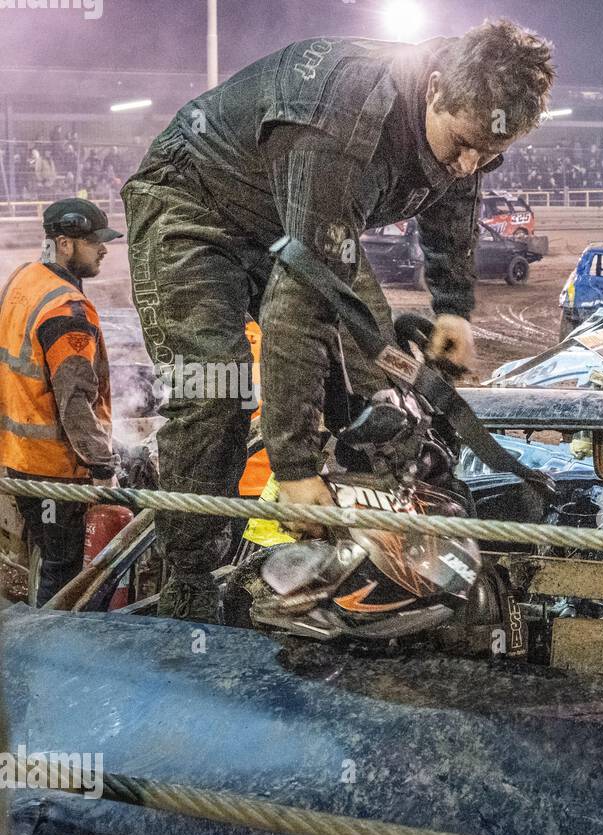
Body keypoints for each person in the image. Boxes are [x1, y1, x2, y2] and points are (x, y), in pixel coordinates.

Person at [121, 21, 555, 622]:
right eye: (461, 143)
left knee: (378, 381)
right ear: (433, 90)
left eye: (489, 152)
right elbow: (296, 310)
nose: (469, 164)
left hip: (289, 217)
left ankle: (375, 538)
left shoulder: (470, 116)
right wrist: (293, 468)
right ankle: (192, 585)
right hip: (194, 207)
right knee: (215, 389)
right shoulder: (345, 123)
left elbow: (454, 198)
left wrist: (452, 305)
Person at [0, 199, 121, 604]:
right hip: (55, 469)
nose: (104, 249)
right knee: (63, 570)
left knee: (46, 557)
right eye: (94, 242)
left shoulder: (24, 280)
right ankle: (47, 647)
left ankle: (36, 625)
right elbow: (76, 403)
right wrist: (103, 466)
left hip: (17, 460)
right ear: (65, 243)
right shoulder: (67, 310)